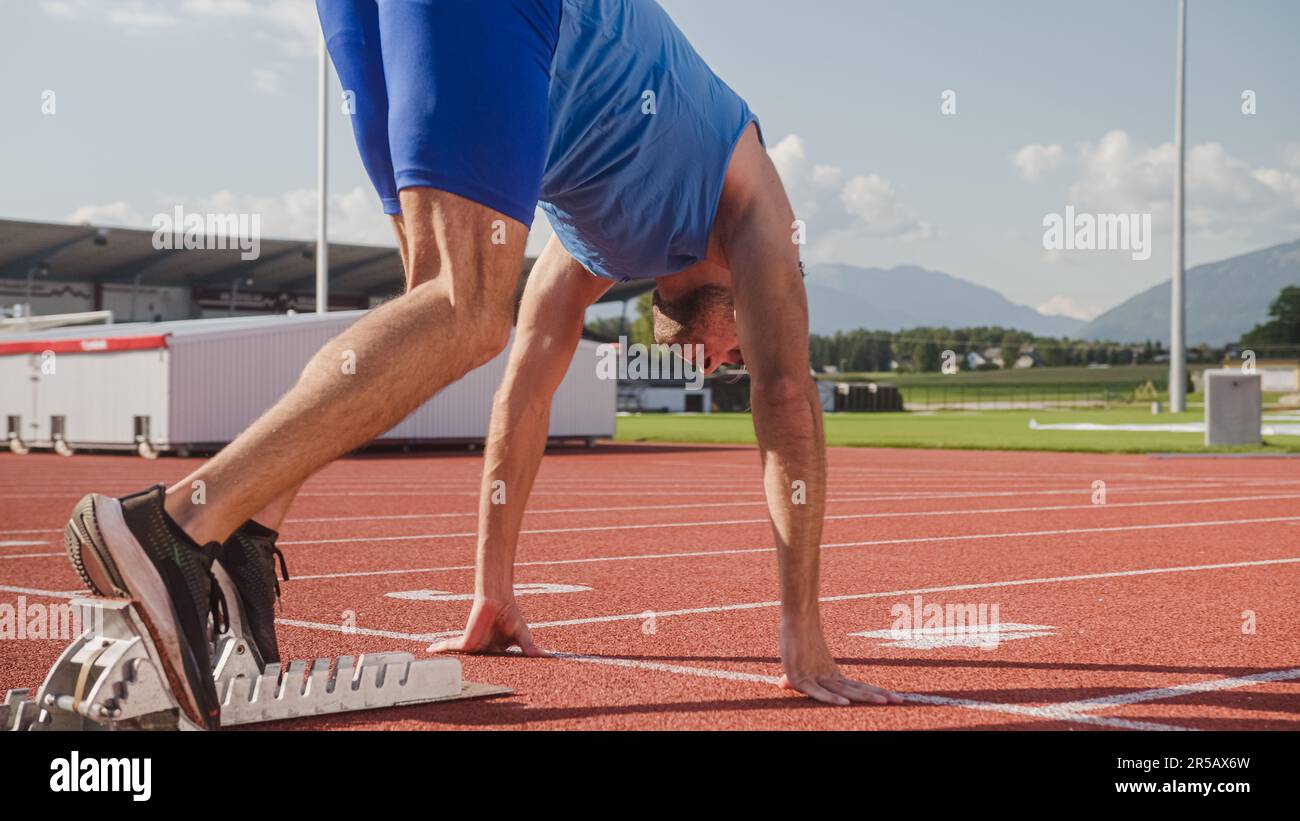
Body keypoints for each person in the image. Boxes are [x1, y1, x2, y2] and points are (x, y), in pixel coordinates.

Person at [63, 0, 900, 730]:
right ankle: (172, 528)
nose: (724, 360)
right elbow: (787, 396)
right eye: (738, 346)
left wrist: (492, 590)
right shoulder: (757, 205)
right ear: (752, 294)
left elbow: (525, 397)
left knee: (431, 310)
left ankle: (247, 528)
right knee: (466, 310)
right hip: (514, 13)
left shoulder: (599, 241)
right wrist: (804, 624)